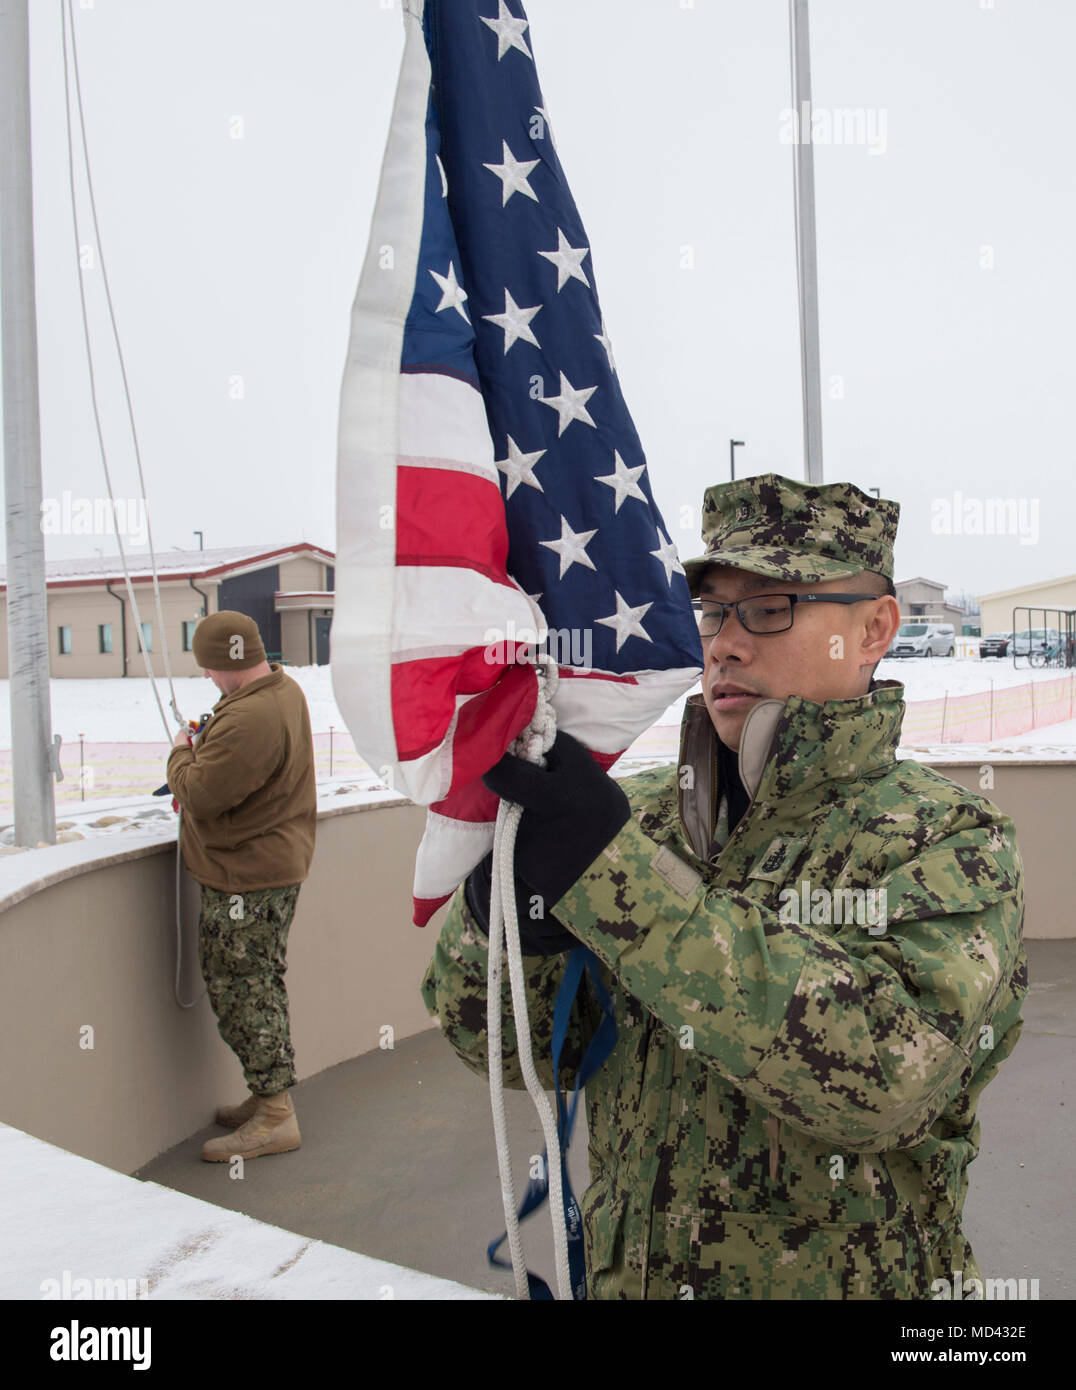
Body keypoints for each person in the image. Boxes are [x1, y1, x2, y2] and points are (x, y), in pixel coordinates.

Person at [421, 474, 1028, 1299]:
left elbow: (885, 1081)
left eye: (770, 607)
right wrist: (504, 922)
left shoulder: (944, 837)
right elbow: (510, 1052)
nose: (726, 643)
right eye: (712, 610)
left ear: (876, 627)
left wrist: (620, 885)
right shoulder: (633, 823)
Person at [166, 610, 316, 1163]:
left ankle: (276, 1113)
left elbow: (202, 795)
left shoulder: (250, 717)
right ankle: (266, 1093)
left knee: (241, 986)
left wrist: (182, 749)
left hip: (245, 880)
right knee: (258, 977)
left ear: (225, 664)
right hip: (270, 867)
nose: (207, 677)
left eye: (208, 667)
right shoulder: (282, 689)